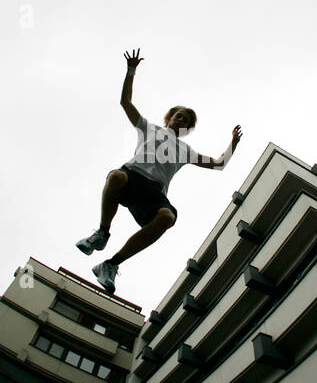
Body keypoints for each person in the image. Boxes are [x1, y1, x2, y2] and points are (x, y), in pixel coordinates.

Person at [77, 48, 242, 294]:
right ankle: (102, 233)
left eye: (186, 120)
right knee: (116, 176)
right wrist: (131, 71)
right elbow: (125, 102)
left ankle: (110, 265)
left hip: (153, 192)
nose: (181, 120)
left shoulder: (186, 150)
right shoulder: (148, 128)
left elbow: (218, 164)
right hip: (132, 177)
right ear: (169, 118)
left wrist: (233, 145)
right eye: (178, 116)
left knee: (167, 217)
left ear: (187, 128)